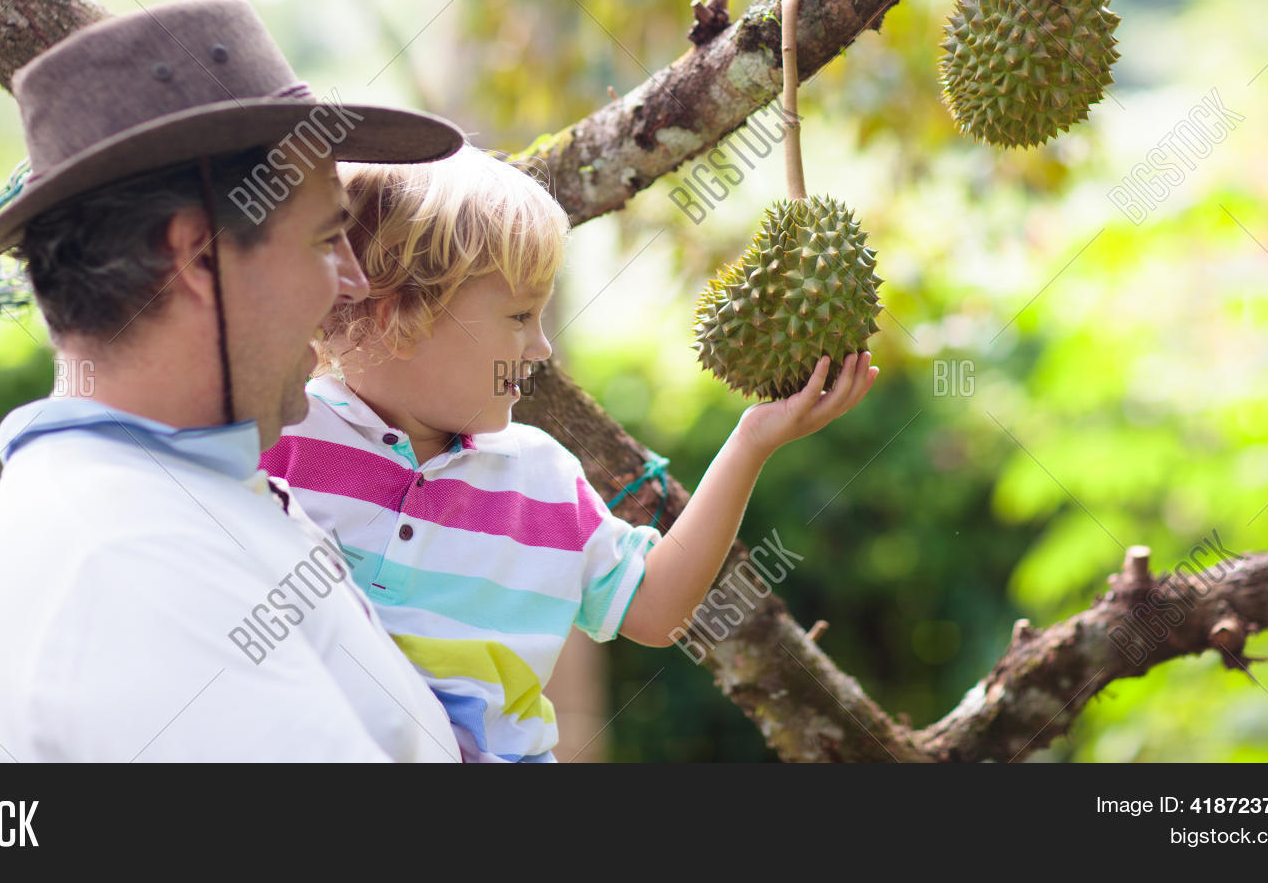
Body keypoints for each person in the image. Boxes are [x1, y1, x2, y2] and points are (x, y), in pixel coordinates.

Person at [0, 0, 468, 761]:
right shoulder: (134, 566)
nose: (353, 281)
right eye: (325, 239)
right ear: (200, 257)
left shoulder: (164, 499)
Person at [259, 144, 879, 761]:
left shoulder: (540, 478)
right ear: (403, 318)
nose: (541, 348)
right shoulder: (281, 443)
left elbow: (657, 610)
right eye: (520, 316)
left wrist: (750, 441)